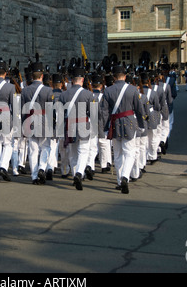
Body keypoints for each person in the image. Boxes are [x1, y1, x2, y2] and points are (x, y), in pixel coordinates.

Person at [100, 65, 145, 194]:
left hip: (115, 123)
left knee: (118, 154)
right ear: (125, 76)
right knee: (129, 152)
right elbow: (139, 109)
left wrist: (104, 127)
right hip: (130, 121)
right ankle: (126, 176)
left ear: (114, 77)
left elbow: (104, 111)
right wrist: (141, 124)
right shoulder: (133, 90)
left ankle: (120, 180)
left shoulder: (108, 91)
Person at [59, 67, 95, 190]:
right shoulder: (88, 94)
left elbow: (60, 113)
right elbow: (93, 114)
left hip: (69, 125)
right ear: (82, 80)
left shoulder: (63, 94)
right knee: (83, 151)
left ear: (71, 80)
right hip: (83, 124)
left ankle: (75, 174)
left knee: (72, 153)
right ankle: (79, 173)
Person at [20, 60, 53, 185]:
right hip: (44, 121)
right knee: (45, 148)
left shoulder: (25, 90)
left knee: (33, 150)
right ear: (42, 76)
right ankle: (41, 168)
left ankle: (34, 176)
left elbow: (22, 110)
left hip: (29, 121)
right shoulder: (48, 91)